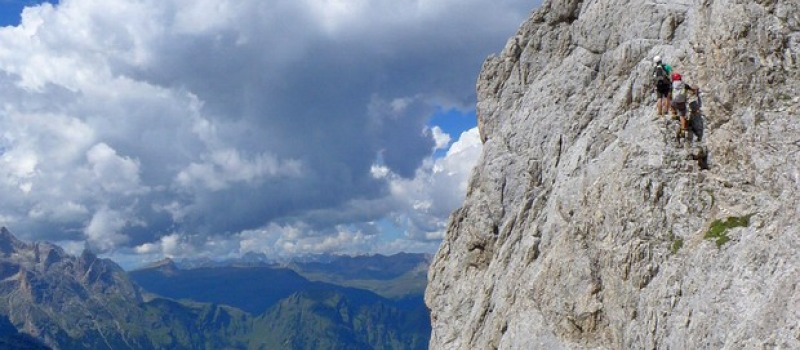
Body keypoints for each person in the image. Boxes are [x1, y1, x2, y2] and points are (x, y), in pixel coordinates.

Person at [670, 73, 699, 141]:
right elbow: (692, 90)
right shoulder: (684, 84)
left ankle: (674, 114)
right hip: (682, 103)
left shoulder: (672, 84)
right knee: (682, 116)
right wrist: (695, 91)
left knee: (671, 105)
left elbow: (670, 93)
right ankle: (683, 130)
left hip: (674, 101)